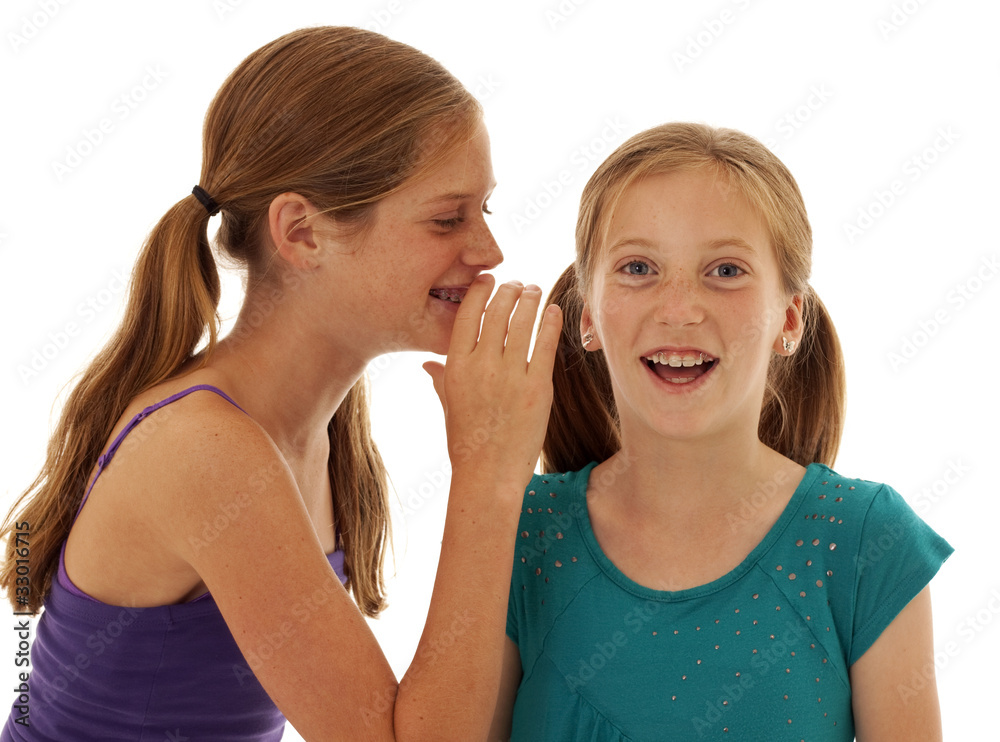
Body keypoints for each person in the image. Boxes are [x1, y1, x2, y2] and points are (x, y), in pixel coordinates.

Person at [0, 26, 562, 741]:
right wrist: (490, 469)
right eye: (448, 218)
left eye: (484, 210)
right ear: (302, 233)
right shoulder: (204, 450)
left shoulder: (312, 430)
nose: (488, 250)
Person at [491, 122, 952, 741]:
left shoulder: (863, 541)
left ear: (789, 318)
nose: (679, 307)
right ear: (587, 314)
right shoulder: (518, 530)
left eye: (726, 270)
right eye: (637, 267)